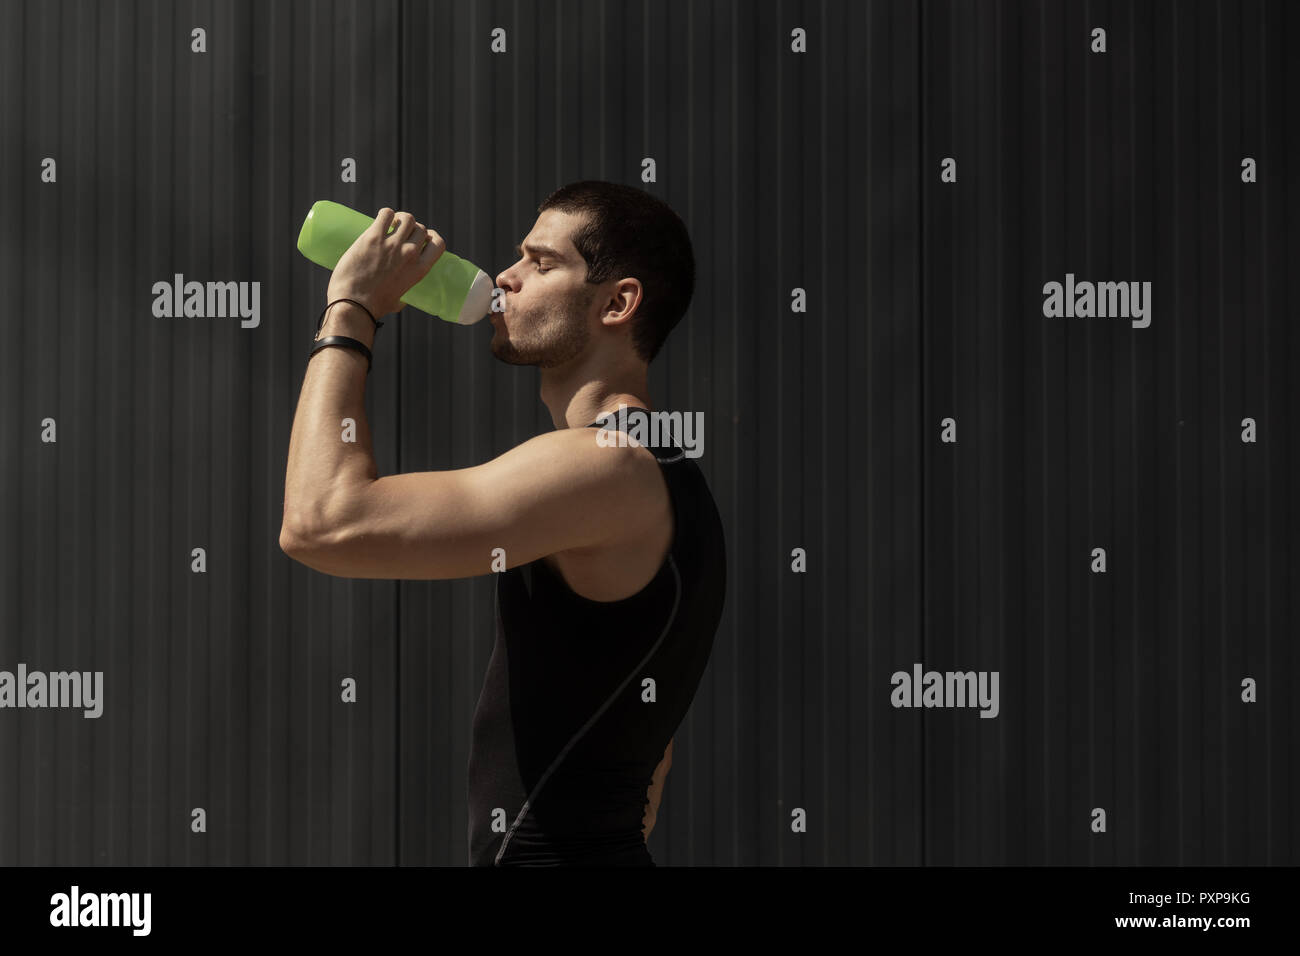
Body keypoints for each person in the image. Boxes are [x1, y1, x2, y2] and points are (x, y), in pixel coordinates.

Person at [279, 180, 726, 865]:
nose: (506, 278)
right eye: (517, 257)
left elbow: (321, 522)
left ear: (618, 303)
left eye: (541, 263)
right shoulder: (665, 474)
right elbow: (650, 763)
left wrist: (352, 309)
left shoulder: (605, 468)